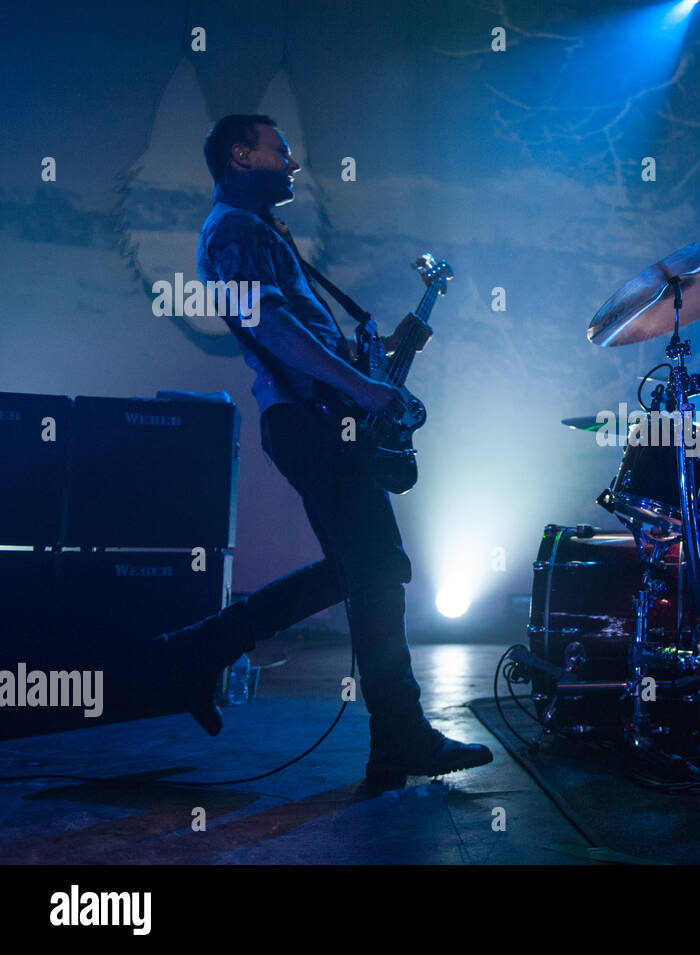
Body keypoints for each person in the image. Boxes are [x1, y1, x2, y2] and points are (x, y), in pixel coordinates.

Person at [151, 114, 491, 792]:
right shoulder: (234, 232)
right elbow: (268, 324)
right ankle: (397, 734)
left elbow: (301, 332)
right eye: (279, 150)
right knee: (375, 566)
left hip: (318, 416)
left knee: (360, 568)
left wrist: (374, 358)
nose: (291, 163)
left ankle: (200, 649)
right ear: (241, 155)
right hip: (310, 422)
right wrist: (361, 384)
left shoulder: (257, 231)